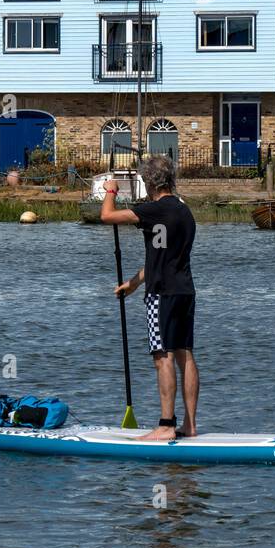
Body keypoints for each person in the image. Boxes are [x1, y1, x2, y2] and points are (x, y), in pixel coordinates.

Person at [100, 155, 198, 442]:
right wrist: (132, 283)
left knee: (162, 356)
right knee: (184, 354)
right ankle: (190, 425)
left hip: (161, 295)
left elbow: (107, 216)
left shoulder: (154, 210)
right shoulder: (184, 210)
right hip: (184, 291)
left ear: (149, 182)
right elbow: (162, 256)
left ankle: (166, 425)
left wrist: (111, 190)